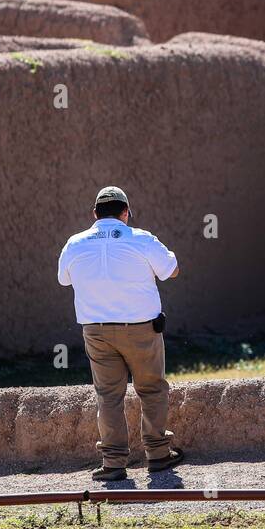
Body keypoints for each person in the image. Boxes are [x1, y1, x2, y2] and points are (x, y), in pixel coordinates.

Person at [57, 185, 184, 481]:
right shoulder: (141, 238)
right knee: (152, 389)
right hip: (142, 329)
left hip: (96, 331)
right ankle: (158, 455)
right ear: (125, 213)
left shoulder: (74, 243)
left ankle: (113, 463)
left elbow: (64, 279)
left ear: (94, 214)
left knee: (108, 396)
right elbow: (172, 270)